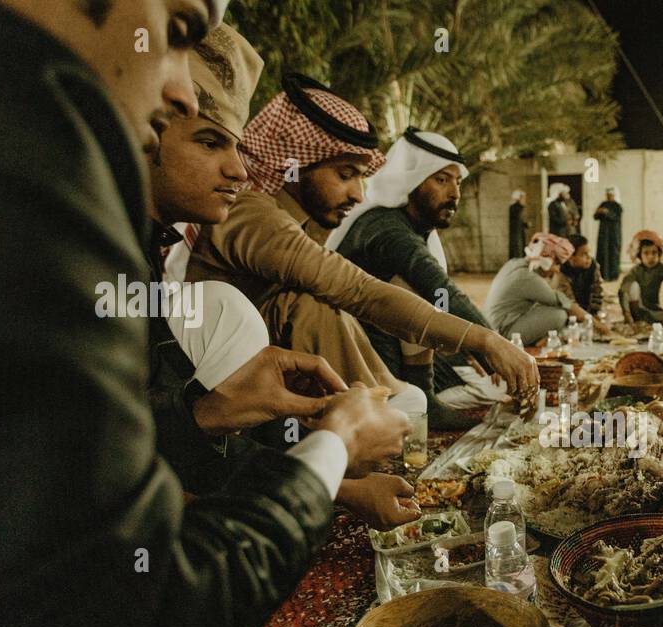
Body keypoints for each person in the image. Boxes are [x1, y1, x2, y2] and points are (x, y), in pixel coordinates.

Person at [0, 0, 613, 627]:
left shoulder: (114, 229)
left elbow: (132, 457)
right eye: (178, 30)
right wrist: (330, 456)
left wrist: (221, 413)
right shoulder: (27, 162)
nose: (176, 87)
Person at [148, 23, 419, 526]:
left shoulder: (141, 250)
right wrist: (334, 453)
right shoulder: (253, 216)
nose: (239, 170)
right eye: (210, 143)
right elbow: (116, 477)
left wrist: (216, 411)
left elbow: (167, 439)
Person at [182, 73, 536, 415]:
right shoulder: (254, 213)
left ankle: (378, 403)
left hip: (278, 369)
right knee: (309, 304)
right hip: (215, 385)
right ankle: (357, 416)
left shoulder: (294, 219)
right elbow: (363, 292)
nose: (358, 193)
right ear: (295, 164)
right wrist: (484, 341)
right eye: (345, 174)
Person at [327, 126, 498, 429]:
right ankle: (423, 402)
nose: (454, 193)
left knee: (483, 382)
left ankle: (426, 396)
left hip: (398, 353)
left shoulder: (406, 226)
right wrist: (496, 347)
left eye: (457, 182)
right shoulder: (386, 229)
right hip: (361, 362)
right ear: (411, 180)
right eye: (442, 180)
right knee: (485, 386)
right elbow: (439, 289)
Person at [484, 232, 590, 345]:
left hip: (496, 326)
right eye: (556, 263)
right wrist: (599, 326)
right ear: (546, 260)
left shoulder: (514, 263)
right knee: (559, 315)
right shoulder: (528, 277)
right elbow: (567, 304)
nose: (557, 269)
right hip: (502, 332)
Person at [618, 230, 663, 324]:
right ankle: (637, 318)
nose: (650, 257)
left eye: (654, 253)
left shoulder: (661, 268)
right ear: (640, 255)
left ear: (659, 254)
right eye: (646, 253)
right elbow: (623, 291)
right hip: (636, 309)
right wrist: (626, 313)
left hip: (654, 307)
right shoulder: (636, 270)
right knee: (633, 286)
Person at [558, 234, 605, 315]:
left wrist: (594, 312)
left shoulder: (593, 266)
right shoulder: (561, 271)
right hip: (570, 309)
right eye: (584, 254)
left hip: (586, 307)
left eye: (588, 253)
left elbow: (597, 291)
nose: (588, 257)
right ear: (571, 258)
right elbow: (569, 302)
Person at [593, 186, 623, 280]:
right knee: (603, 252)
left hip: (614, 234)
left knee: (613, 253)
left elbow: (616, 217)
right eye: (608, 195)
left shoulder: (617, 206)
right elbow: (595, 216)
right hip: (603, 234)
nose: (609, 197)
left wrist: (606, 212)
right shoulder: (603, 204)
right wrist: (599, 212)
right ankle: (603, 275)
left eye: (611, 195)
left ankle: (613, 275)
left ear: (614, 196)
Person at [508, 188, 529, 259]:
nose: (525, 200)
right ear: (519, 198)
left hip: (519, 234)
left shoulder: (518, 208)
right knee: (517, 252)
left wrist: (525, 224)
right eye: (523, 198)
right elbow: (517, 222)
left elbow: (519, 221)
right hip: (517, 235)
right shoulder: (515, 208)